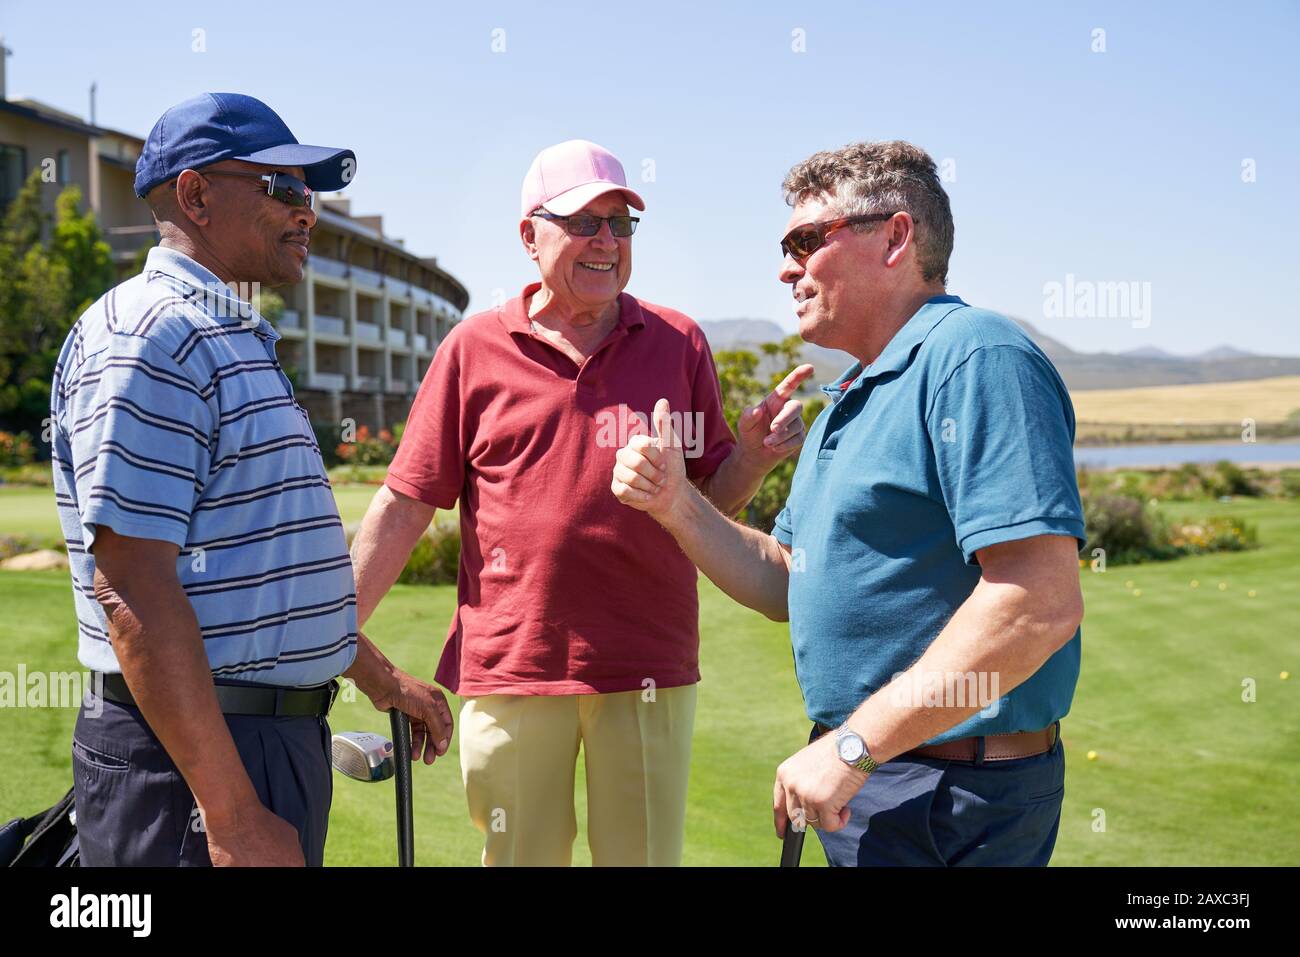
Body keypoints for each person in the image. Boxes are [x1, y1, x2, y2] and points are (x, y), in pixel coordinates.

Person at [612, 140, 1086, 866]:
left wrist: (856, 745)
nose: (786, 265)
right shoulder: (845, 400)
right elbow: (784, 577)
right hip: (880, 776)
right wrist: (677, 503)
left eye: (807, 240)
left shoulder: (975, 355)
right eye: (786, 244)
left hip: (951, 795)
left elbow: (1036, 601)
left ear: (896, 237)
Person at [351, 139, 811, 866]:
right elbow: (408, 504)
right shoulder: (472, 349)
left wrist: (750, 456)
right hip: (513, 664)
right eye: (584, 222)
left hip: (648, 666)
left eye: (621, 224)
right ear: (530, 235)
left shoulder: (679, 341)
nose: (606, 241)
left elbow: (708, 504)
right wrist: (329, 634)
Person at [51, 93, 451, 867]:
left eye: (313, 194)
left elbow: (258, 580)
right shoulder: (154, 338)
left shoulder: (226, 335)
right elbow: (133, 587)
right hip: (198, 766)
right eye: (286, 190)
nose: (310, 213)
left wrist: (375, 672)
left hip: (251, 744)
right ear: (196, 195)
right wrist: (232, 814)